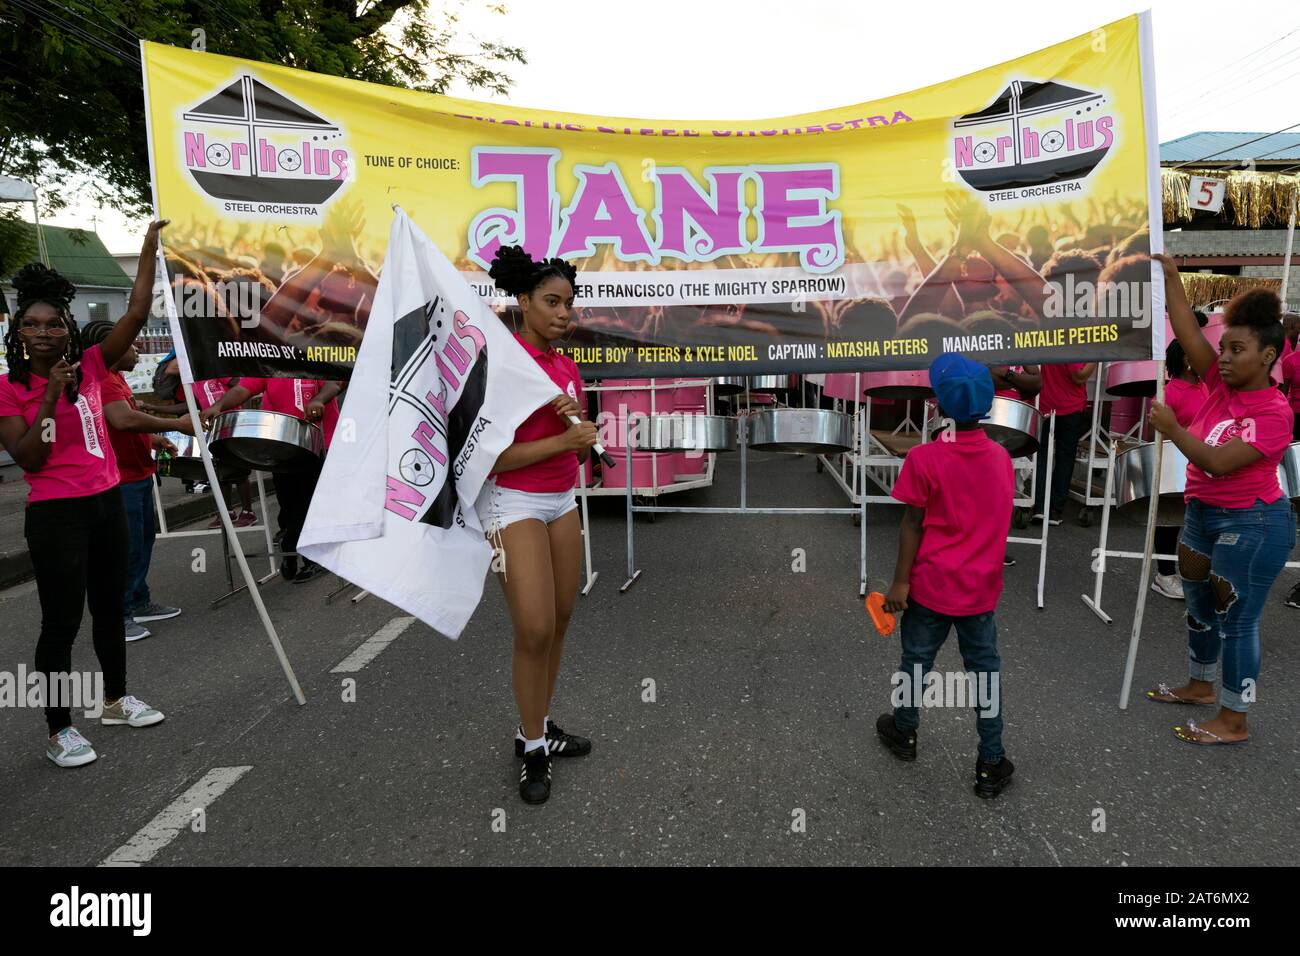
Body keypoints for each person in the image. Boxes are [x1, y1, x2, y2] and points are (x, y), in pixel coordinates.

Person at [0, 221, 169, 768]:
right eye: (31, 324)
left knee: (108, 609)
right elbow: (29, 456)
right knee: (61, 622)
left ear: (67, 328)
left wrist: (147, 249)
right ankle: (59, 729)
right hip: (56, 516)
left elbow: (136, 314)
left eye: (52, 324)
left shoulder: (92, 367)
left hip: (107, 503)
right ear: (18, 332)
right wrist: (50, 395)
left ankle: (116, 700)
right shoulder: (8, 389)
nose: (43, 332)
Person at [1145, 258, 1295, 745]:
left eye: (1238, 349)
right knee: (1198, 606)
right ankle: (1200, 686)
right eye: (1223, 348)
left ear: (1268, 355)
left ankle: (1234, 719)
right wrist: (1170, 279)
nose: (1224, 358)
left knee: (1237, 618)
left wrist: (1171, 430)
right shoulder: (1218, 385)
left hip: (1253, 524)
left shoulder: (1273, 411)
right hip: (1203, 516)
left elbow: (1217, 462)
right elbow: (1188, 331)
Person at [482, 245, 598, 805]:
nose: (562, 313)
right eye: (551, 302)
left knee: (560, 619)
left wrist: (583, 449)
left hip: (562, 501)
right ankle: (531, 747)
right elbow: (489, 459)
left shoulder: (565, 366)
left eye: (569, 305)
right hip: (513, 503)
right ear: (522, 300)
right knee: (532, 628)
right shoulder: (502, 365)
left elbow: (568, 441)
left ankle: (540, 724)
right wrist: (566, 440)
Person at [876, 353, 1016, 798]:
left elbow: (912, 523)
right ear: (988, 404)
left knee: (915, 663)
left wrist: (900, 582)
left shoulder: (924, 458)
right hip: (980, 593)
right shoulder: (1001, 459)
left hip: (931, 588)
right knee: (984, 674)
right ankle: (990, 761)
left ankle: (904, 731)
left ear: (937, 403)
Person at [81, 320, 194, 640]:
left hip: (138, 473)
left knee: (142, 542)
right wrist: (178, 425)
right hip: (120, 480)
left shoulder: (116, 377)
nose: (138, 348)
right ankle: (119, 616)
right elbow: (123, 418)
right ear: (113, 347)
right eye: (130, 343)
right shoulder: (100, 378)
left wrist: (154, 440)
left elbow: (121, 423)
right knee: (123, 550)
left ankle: (139, 601)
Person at [201, 375, 341, 581]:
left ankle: (308, 555)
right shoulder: (269, 361)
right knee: (288, 503)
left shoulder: (314, 350)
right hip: (283, 443)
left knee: (309, 502)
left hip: (318, 440)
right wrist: (219, 405)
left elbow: (335, 381)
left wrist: (319, 399)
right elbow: (243, 389)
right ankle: (293, 547)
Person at [1151, 340, 1208, 601]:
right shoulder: (1169, 392)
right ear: (1186, 359)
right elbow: (1159, 429)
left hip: (1203, 466)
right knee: (1170, 520)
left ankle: (1197, 575)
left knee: (1198, 523)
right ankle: (1163, 575)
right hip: (1177, 466)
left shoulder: (1205, 386)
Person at [1033, 361, 1096, 524]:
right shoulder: (1072, 339)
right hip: (1069, 406)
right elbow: (1079, 376)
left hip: (1044, 403)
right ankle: (1054, 509)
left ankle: (1039, 506)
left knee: (1041, 456)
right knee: (1064, 458)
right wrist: (1097, 357)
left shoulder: (1045, 336)